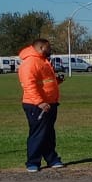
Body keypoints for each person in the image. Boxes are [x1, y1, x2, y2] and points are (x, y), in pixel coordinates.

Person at [19, 38, 64, 172]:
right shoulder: (31, 62)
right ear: (41, 48)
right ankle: (33, 161)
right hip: (36, 105)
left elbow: (44, 81)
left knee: (49, 133)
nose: (50, 50)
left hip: (50, 102)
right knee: (38, 133)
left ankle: (52, 158)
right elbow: (29, 85)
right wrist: (40, 102)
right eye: (48, 48)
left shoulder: (43, 61)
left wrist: (56, 81)